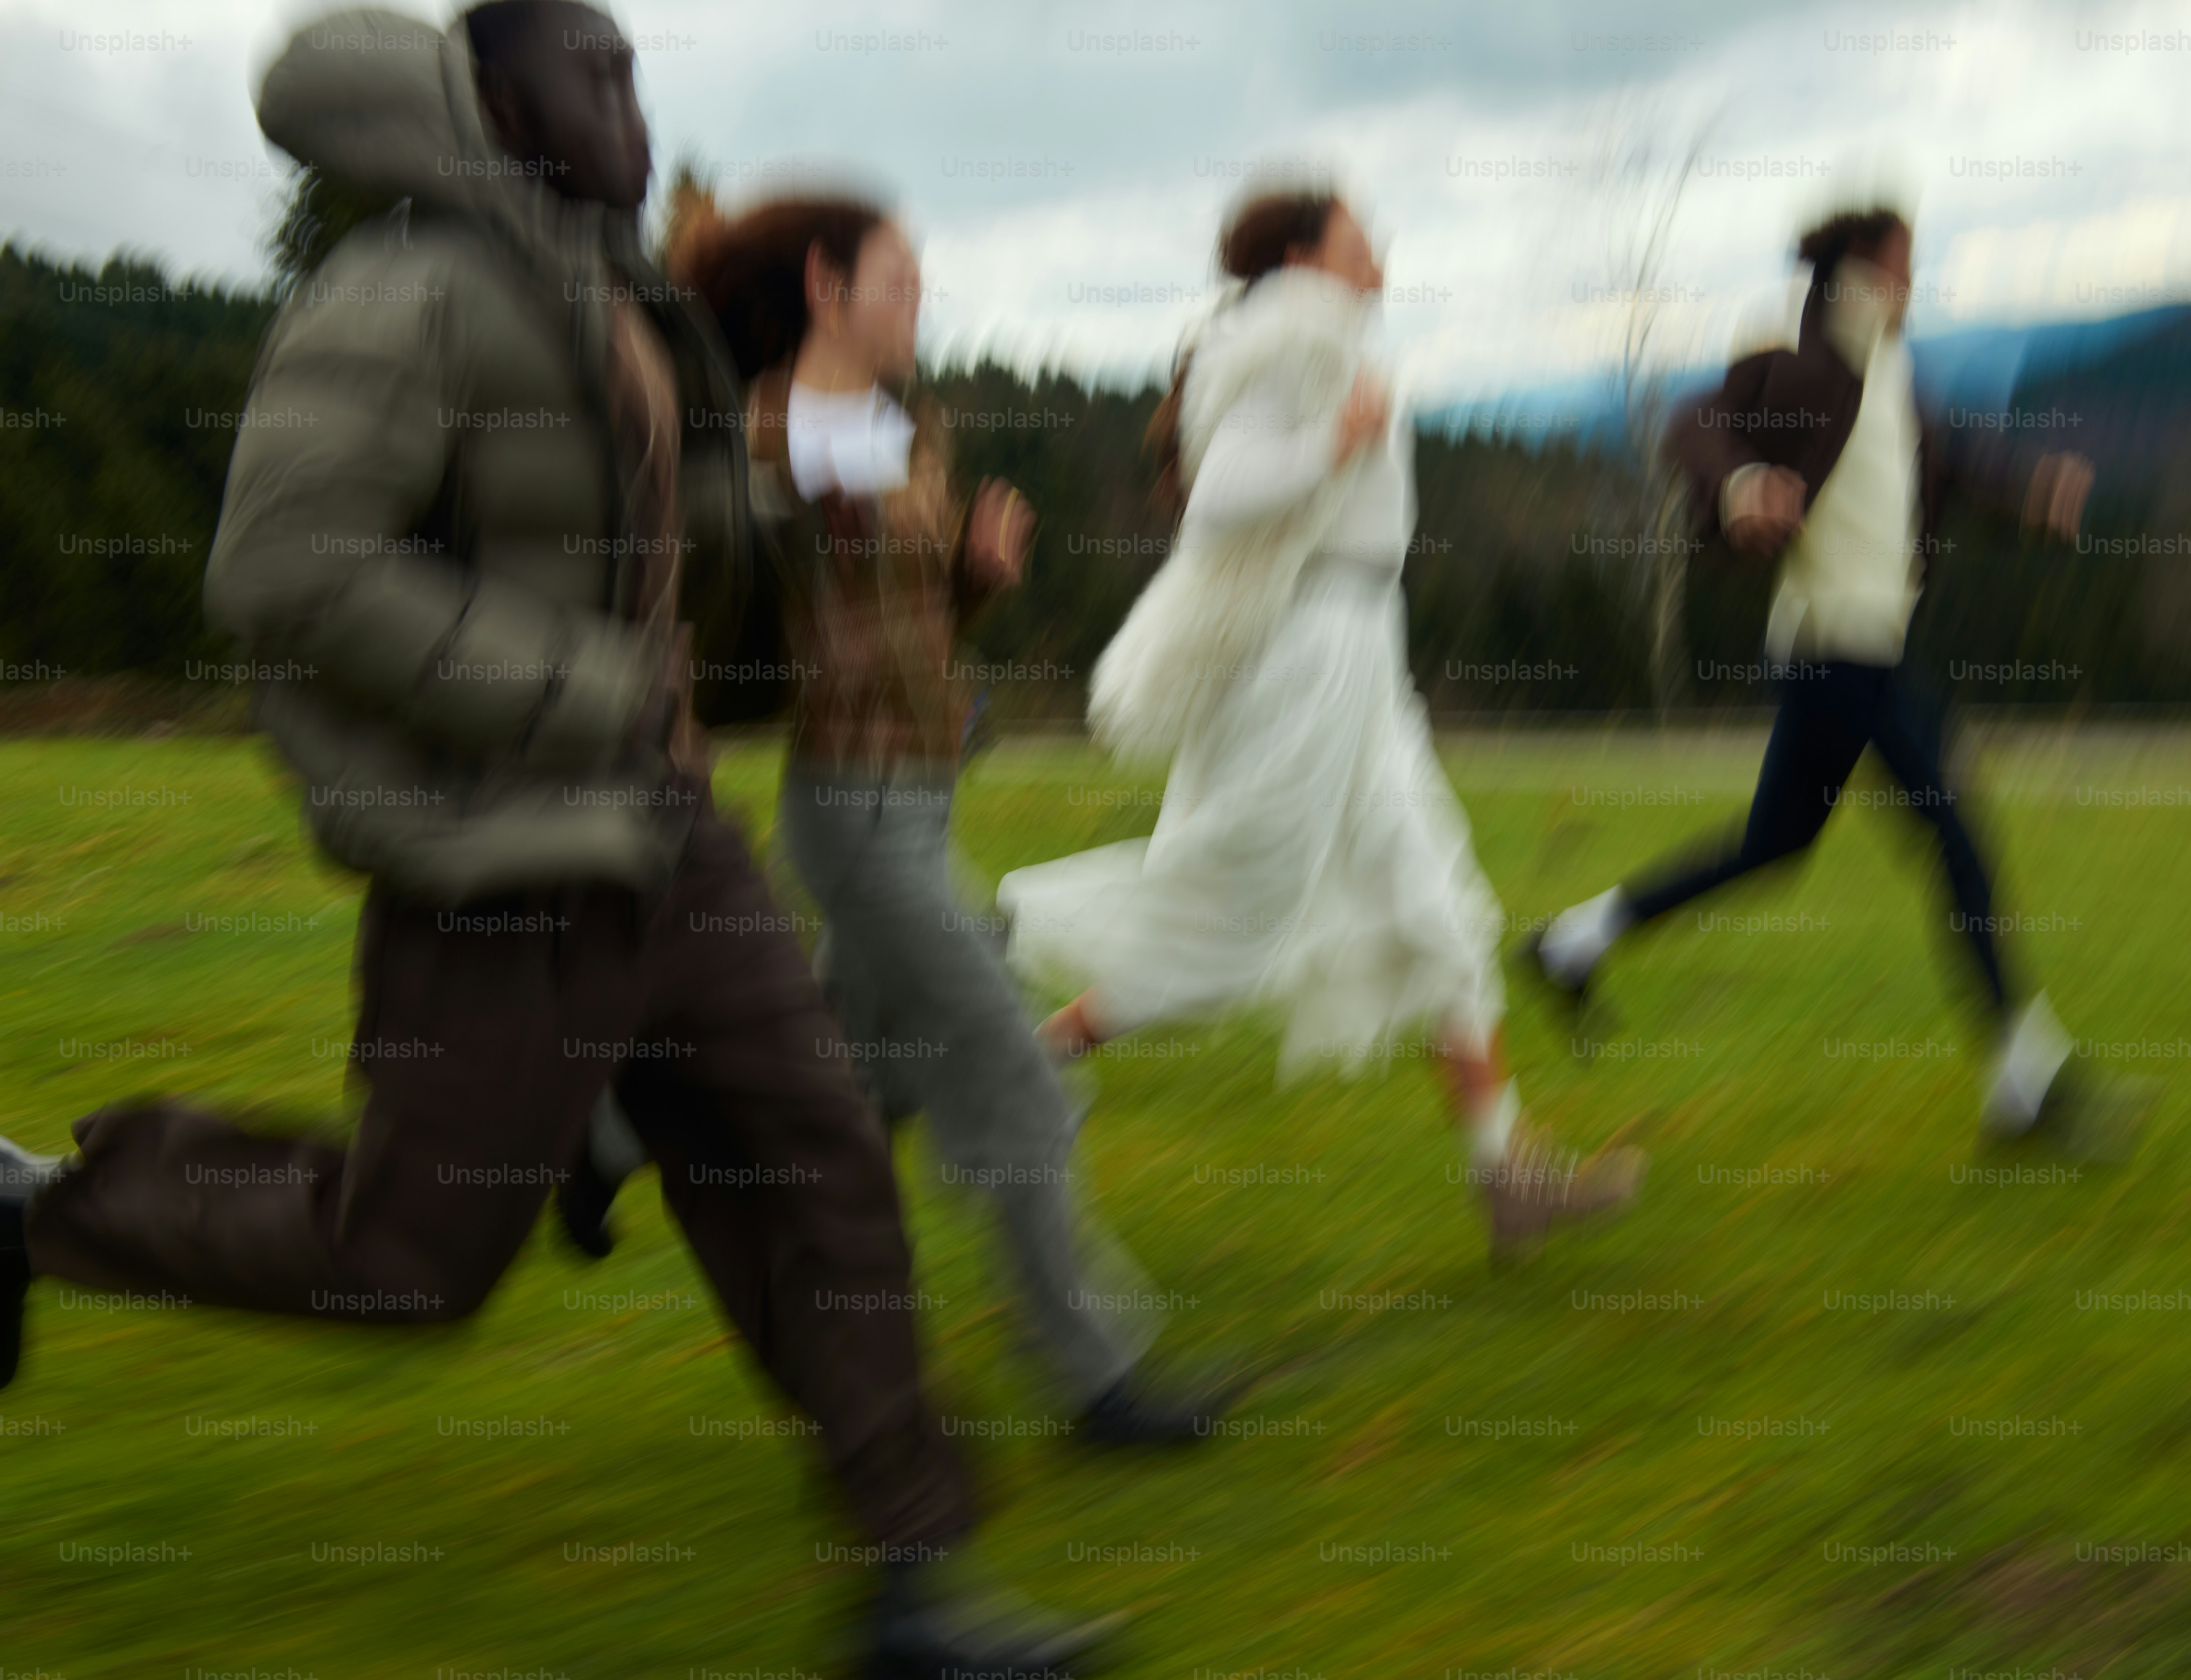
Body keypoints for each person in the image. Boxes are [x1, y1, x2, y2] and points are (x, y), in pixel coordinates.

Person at [0, 7, 1109, 1673]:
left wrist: (779, 595)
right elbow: (287, 566)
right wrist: (582, 686)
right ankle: (40, 1206)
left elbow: (671, 576)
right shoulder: (410, 290)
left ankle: (914, 1587)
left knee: (813, 1160)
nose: (634, 109)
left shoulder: (613, 295)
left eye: (637, 72)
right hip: (505, 863)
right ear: (489, 99)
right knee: (406, 1260)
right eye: (595, 75)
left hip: (671, 832)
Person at [558, 186, 1218, 1447]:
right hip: (850, 815)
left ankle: (622, 1124)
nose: (921, 302)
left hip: (921, 802)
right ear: (825, 287)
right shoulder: (755, 437)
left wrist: (970, 580)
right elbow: (740, 623)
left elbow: (913, 633)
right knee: (1019, 1088)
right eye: (900, 280)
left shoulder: (909, 432)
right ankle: (1099, 1383)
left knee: (859, 1088)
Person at [998, 189, 1645, 1264]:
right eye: (1356, 229)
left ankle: (1508, 1173)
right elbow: (1219, 497)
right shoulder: (1285, 338)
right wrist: (1335, 445)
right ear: (1303, 252)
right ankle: (1005, 1028)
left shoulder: (1314, 333)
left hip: (1358, 650)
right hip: (1307, 656)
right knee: (1238, 909)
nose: (1378, 242)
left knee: (1436, 906)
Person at [1526, 206, 2095, 1146]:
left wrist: (2030, 491)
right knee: (1958, 836)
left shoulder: (1892, 370)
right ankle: (2020, 1081)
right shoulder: (1808, 367)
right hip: (1836, 648)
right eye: (1905, 264)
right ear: (1864, 273)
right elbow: (1694, 419)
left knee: (1775, 843)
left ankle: (1575, 938)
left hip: (1870, 645)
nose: (1917, 282)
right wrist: (1745, 484)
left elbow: (1937, 463)